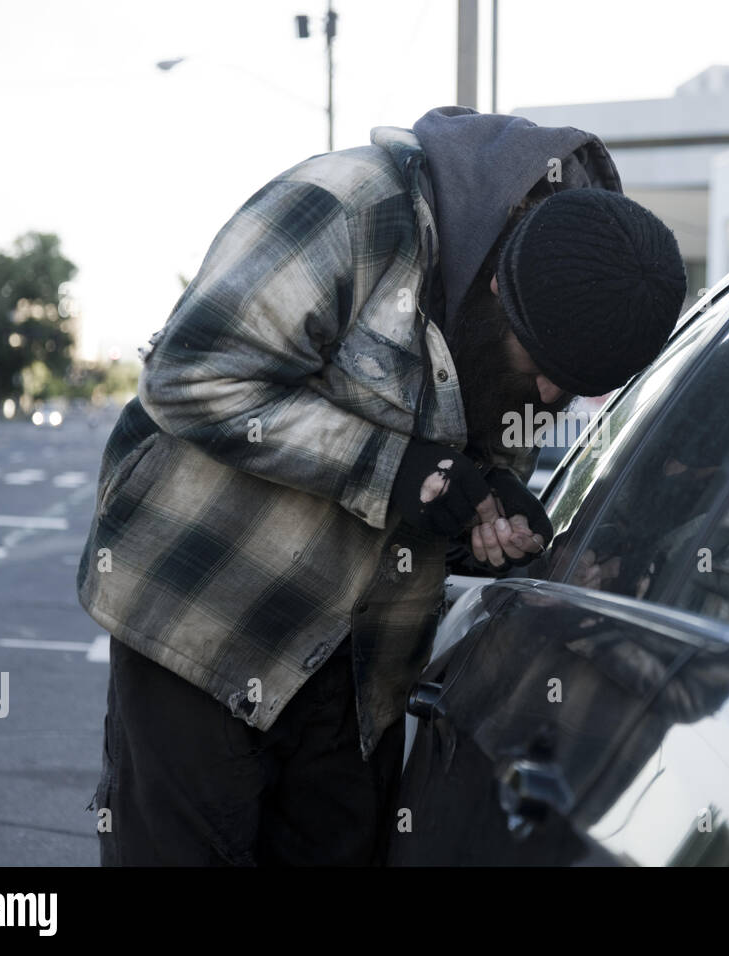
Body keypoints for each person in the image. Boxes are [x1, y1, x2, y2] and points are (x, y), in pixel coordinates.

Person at [77, 105, 687, 865]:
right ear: (500, 284)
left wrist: (486, 523)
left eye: (570, 390)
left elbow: (448, 492)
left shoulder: (567, 300)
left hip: (364, 674)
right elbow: (192, 375)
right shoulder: (347, 208)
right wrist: (398, 469)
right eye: (539, 370)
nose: (549, 395)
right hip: (206, 624)